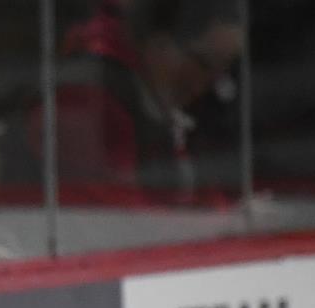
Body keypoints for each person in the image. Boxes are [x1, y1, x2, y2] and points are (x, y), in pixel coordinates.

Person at [32, 0, 244, 203]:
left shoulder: (153, 96)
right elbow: (111, 216)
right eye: (202, 64)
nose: (203, 86)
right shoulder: (89, 99)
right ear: (160, 42)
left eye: (220, 73)